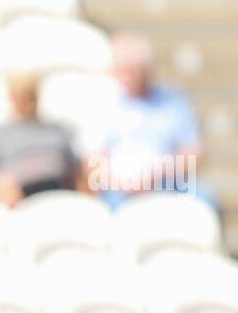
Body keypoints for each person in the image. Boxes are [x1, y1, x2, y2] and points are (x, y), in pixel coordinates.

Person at [88, 33, 208, 207]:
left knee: (205, 199)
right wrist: (126, 184)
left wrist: (156, 175)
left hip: (168, 182)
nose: (127, 77)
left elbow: (194, 153)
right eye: (122, 70)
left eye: (133, 70)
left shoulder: (174, 102)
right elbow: (93, 166)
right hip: (119, 188)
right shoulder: (103, 104)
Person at [0, 71, 87, 205]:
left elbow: (79, 173)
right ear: (11, 97)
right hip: (22, 198)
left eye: (31, 95)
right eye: (22, 95)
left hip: (60, 194)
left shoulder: (57, 131)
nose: (28, 102)